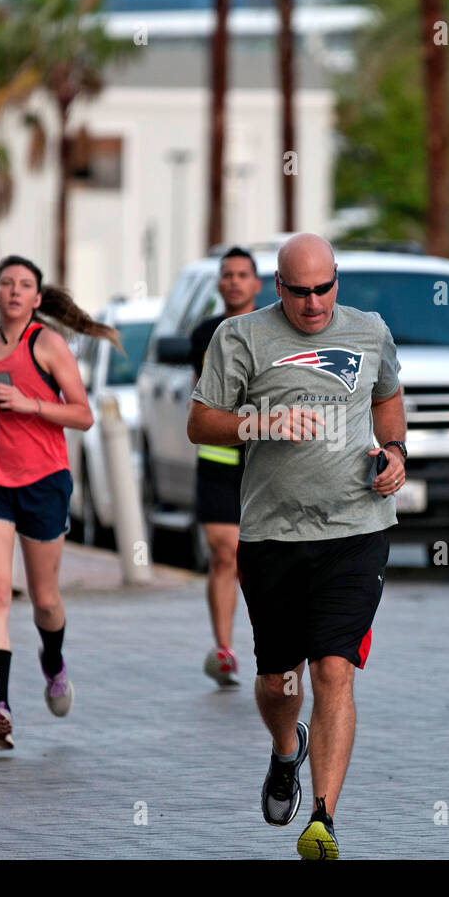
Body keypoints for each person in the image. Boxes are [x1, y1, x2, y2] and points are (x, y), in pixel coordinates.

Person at [187, 232, 405, 859]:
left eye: (324, 288)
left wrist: (395, 453)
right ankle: (287, 751)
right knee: (279, 681)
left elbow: (388, 398)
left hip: (356, 529)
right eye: (299, 291)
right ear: (276, 286)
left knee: (334, 669)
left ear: (337, 280)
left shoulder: (370, 332)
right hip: (272, 533)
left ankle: (324, 817)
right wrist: (259, 422)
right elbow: (201, 422)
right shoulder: (241, 337)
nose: (313, 303)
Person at [0, 254, 120, 751]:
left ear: (38, 299)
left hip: (43, 481)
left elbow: (83, 416)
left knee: (44, 600)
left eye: (26, 285)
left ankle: (53, 662)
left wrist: (31, 406)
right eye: (7, 283)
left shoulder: (48, 345)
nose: (16, 291)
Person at [190, 246, 263, 687]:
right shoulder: (204, 334)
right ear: (219, 283)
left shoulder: (272, 330)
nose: (234, 281)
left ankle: (269, 646)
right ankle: (224, 650)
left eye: (242, 274)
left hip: (264, 457)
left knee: (257, 559)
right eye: (227, 274)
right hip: (218, 459)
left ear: (258, 284)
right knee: (225, 554)